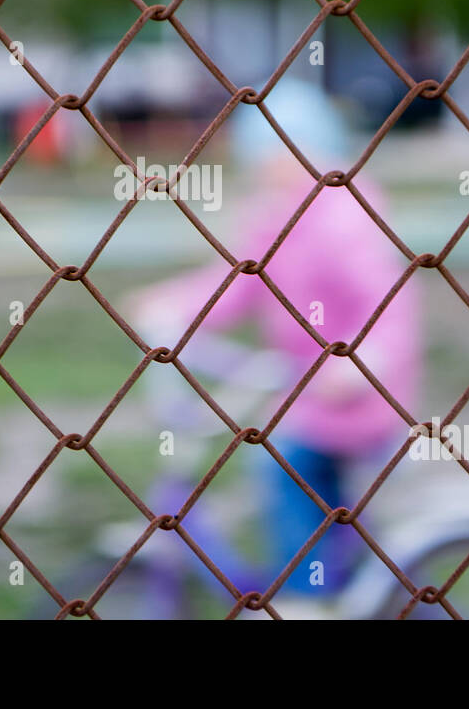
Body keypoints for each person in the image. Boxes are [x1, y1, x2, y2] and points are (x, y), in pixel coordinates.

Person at [130, 79, 422, 603]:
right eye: (259, 158)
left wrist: (362, 362)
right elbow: (239, 282)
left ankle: (304, 598)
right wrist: (175, 304)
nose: (264, 169)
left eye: (273, 156)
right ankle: (330, 575)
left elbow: (389, 305)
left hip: (356, 392)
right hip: (304, 388)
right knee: (296, 468)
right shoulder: (275, 215)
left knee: (281, 459)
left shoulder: (345, 215)